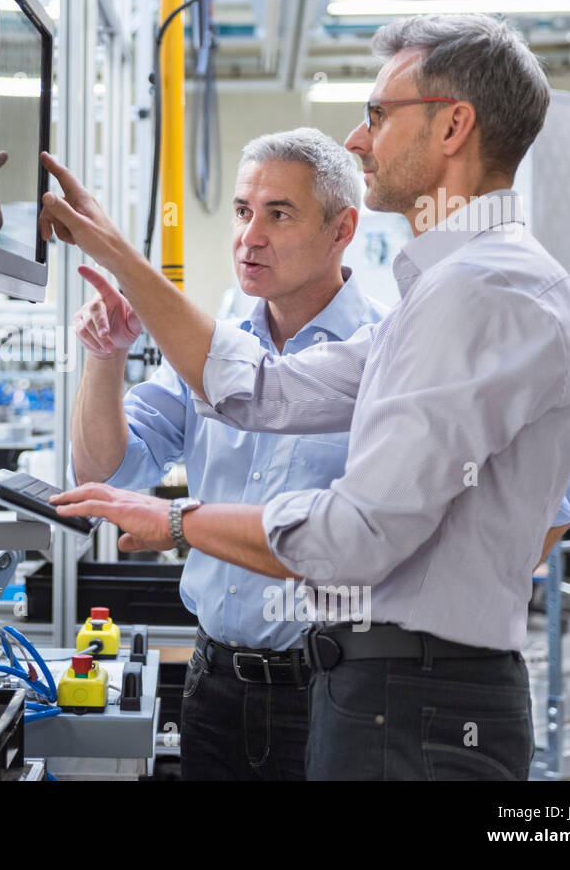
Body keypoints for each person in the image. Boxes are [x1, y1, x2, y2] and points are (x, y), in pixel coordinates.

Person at [38, 13, 570, 780]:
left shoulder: (486, 289)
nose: (359, 139)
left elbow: (355, 536)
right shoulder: (442, 294)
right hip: (370, 687)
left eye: (378, 113)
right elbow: (264, 390)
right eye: (243, 212)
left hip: (421, 697)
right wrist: (117, 256)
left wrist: (177, 520)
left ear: (452, 125)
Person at [71, 128, 388, 779]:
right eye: (243, 211)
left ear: (342, 229)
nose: (250, 236)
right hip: (213, 683)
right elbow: (106, 471)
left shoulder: (385, 351)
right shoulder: (211, 349)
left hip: (334, 690)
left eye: (279, 214)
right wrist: (106, 358)